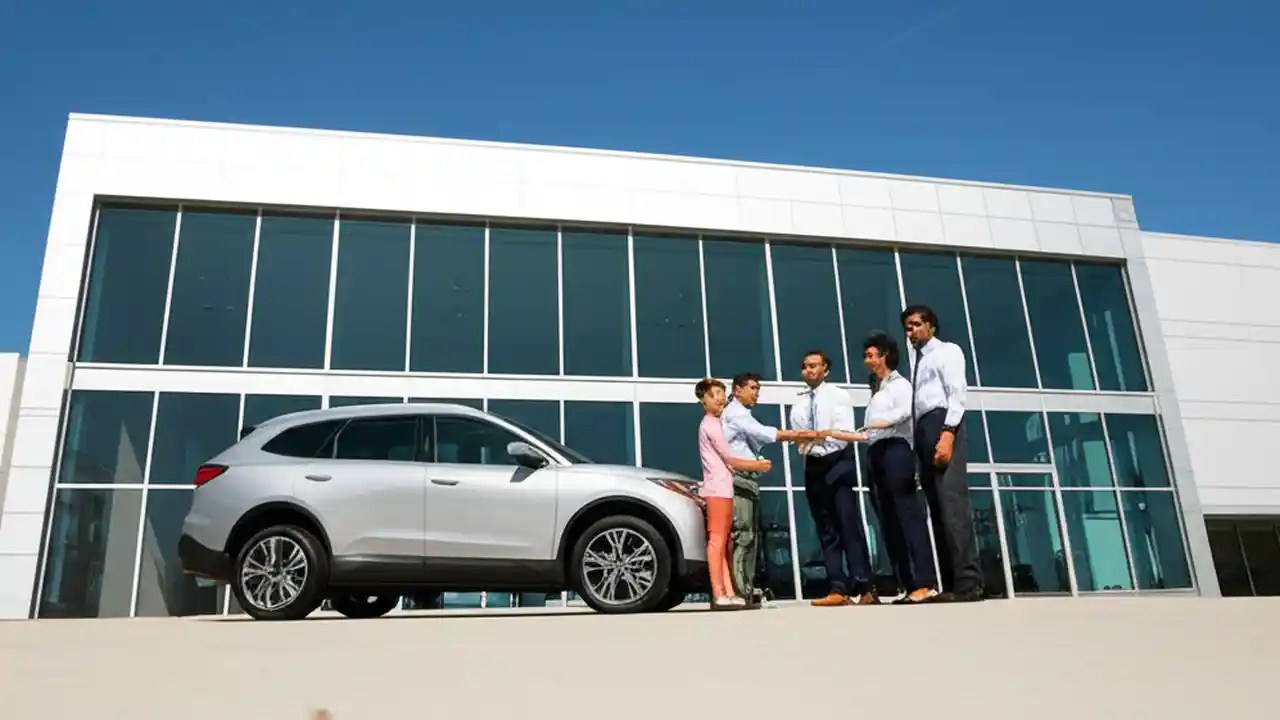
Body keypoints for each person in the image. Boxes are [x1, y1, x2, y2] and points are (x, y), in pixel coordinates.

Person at [822, 333, 938, 604]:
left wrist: (882, 423)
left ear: (886, 355)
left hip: (896, 450)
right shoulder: (876, 390)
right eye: (866, 356)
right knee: (888, 520)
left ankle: (925, 583)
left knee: (908, 516)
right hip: (875, 453)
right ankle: (908, 585)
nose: (868, 361)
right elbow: (868, 431)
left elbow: (908, 412)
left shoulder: (899, 384)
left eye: (872, 355)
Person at [902, 304, 984, 603]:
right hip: (924, 429)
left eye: (915, 325)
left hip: (943, 424)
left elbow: (956, 394)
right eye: (907, 328)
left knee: (953, 505)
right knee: (936, 509)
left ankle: (969, 582)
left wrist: (948, 433)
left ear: (931, 326)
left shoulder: (947, 351)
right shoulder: (918, 364)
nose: (910, 332)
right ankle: (950, 584)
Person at [721, 371, 818, 607]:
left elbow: (759, 438)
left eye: (758, 389)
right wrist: (803, 434)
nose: (756, 394)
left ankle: (746, 587)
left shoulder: (743, 415)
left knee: (751, 536)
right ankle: (740, 590)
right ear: (737, 390)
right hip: (739, 477)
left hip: (748, 477)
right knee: (743, 535)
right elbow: (765, 433)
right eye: (752, 388)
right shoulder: (735, 413)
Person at [789, 350, 877, 606]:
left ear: (825, 370)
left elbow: (842, 433)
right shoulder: (799, 400)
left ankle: (865, 586)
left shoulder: (838, 395)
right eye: (805, 366)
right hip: (813, 466)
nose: (809, 370)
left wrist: (817, 438)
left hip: (837, 462)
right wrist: (812, 440)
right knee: (826, 529)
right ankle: (837, 587)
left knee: (849, 525)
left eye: (814, 366)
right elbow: (798, 434)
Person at [695, 377, 772, 610]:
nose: (719, 398)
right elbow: (729, 459)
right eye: (713, 394)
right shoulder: (709, 425)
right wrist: (756, 466)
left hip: (724, 488)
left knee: (725, 541)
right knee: (717, 540)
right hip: (717, 489)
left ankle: (728, 592)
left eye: (721, 393)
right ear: (703, 400)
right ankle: (719, 592)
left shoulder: (716, 424)